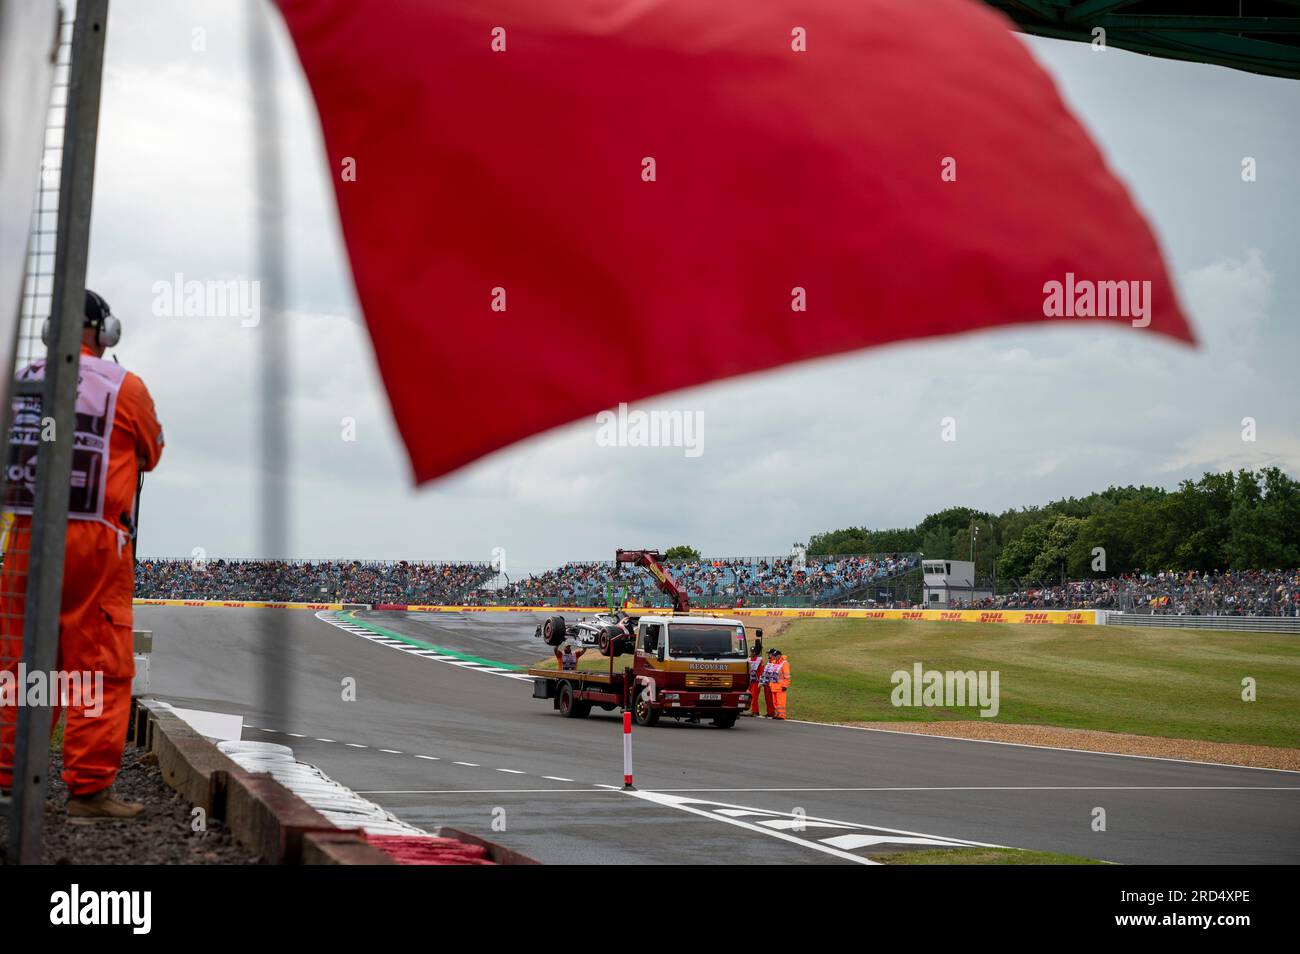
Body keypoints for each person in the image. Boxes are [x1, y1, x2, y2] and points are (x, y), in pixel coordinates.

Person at [0, 290, 164, 820]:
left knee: (20, 660)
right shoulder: (125, 385)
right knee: (95, 663)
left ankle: (5, 782)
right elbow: (153, 451)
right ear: (105, 331)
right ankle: (87, 793)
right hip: (95, 539)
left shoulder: (21, 379)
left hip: (26, 534)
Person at [763, 647, 791, 720]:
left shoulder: (784, 663)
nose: (774, 657)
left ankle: (782, 715)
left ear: (779, 655)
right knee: (775, 702)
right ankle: (778, 714)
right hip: (774, 686)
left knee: (781, 702)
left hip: (781, 686)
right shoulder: (774, 663)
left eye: (775, 656)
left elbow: (787, 676)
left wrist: (785, 685)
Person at [745, 643, 763, 716]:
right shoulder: (748, 659)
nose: (752, 653)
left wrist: (761, 681)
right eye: (751, 651)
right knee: (749, 696)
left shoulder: (759, 660)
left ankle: (755, 711)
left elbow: (761, 671)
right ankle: (753, 710)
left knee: (754, 697)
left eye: (754, 652)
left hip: (756, 681)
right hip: (750, 681)